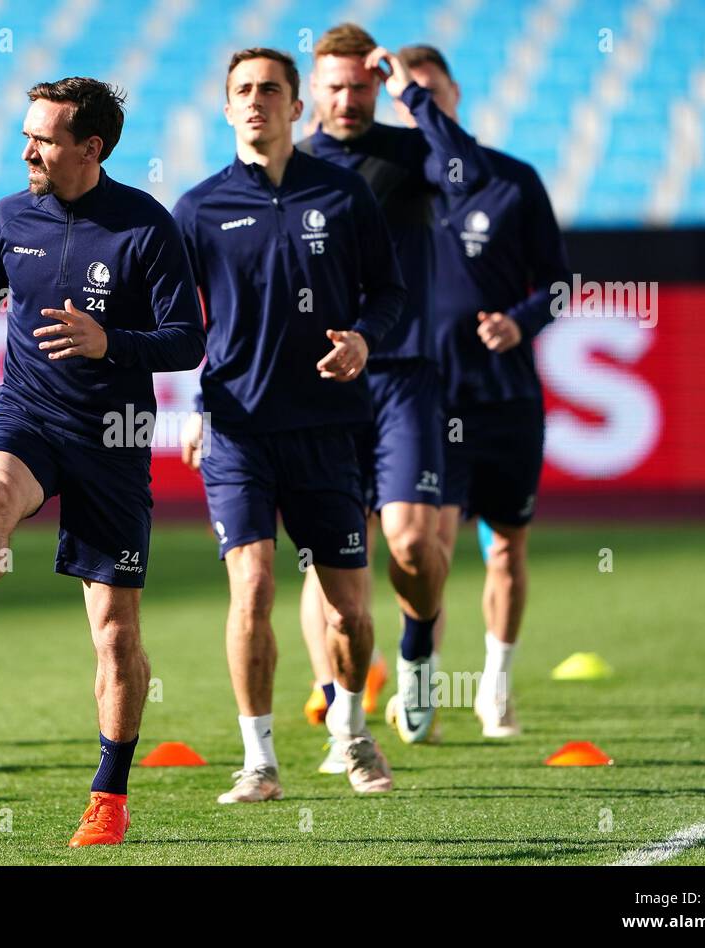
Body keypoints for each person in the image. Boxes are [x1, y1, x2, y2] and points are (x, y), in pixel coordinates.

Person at [0, 77, 205, 845]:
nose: (27, 150)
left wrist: (112, 344)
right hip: (30, 413)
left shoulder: (146, 226)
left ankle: (108, 797)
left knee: (113, 632)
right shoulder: (7, 218)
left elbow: (188, 339)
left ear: (91, 147)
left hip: (115, 431)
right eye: (25, 134)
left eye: (42, 138)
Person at [176, 48, 407, 801]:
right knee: (252, 588)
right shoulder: (198, 208)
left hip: (328, 430)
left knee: (349, 610)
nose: (255, 101)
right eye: (241, 90)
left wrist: (366, 337)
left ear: (295, 107)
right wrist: (190, 403)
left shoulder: (342, 195)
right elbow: (173, 323)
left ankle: (353, 731)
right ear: (226, 107)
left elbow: (389, 292)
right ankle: (260, 761)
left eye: (270, 89)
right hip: (237, 430)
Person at [295, 23, 488, 750]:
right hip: (316, 384)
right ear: (314, 90)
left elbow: (472, 176)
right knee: (330, 556)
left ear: (378, 87)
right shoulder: (294, 164)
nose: (348, 99)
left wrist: (415, 93)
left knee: (410, 545)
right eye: (334, 86)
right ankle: (339, 709)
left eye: (361, 85)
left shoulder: (411, 153)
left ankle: (415, 652)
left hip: (405, 374)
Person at [390, 44, 570, 736]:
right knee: (424, 543)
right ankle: (422, 679)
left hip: (505, 396)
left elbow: (557, 283)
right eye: (411, 97)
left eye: (431, 94)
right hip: (426, 399)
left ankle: (494, 683)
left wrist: (521, 324)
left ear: (456, 96)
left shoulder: (512, 181)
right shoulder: (390, 187)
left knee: (506, 546)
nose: (422, 108)